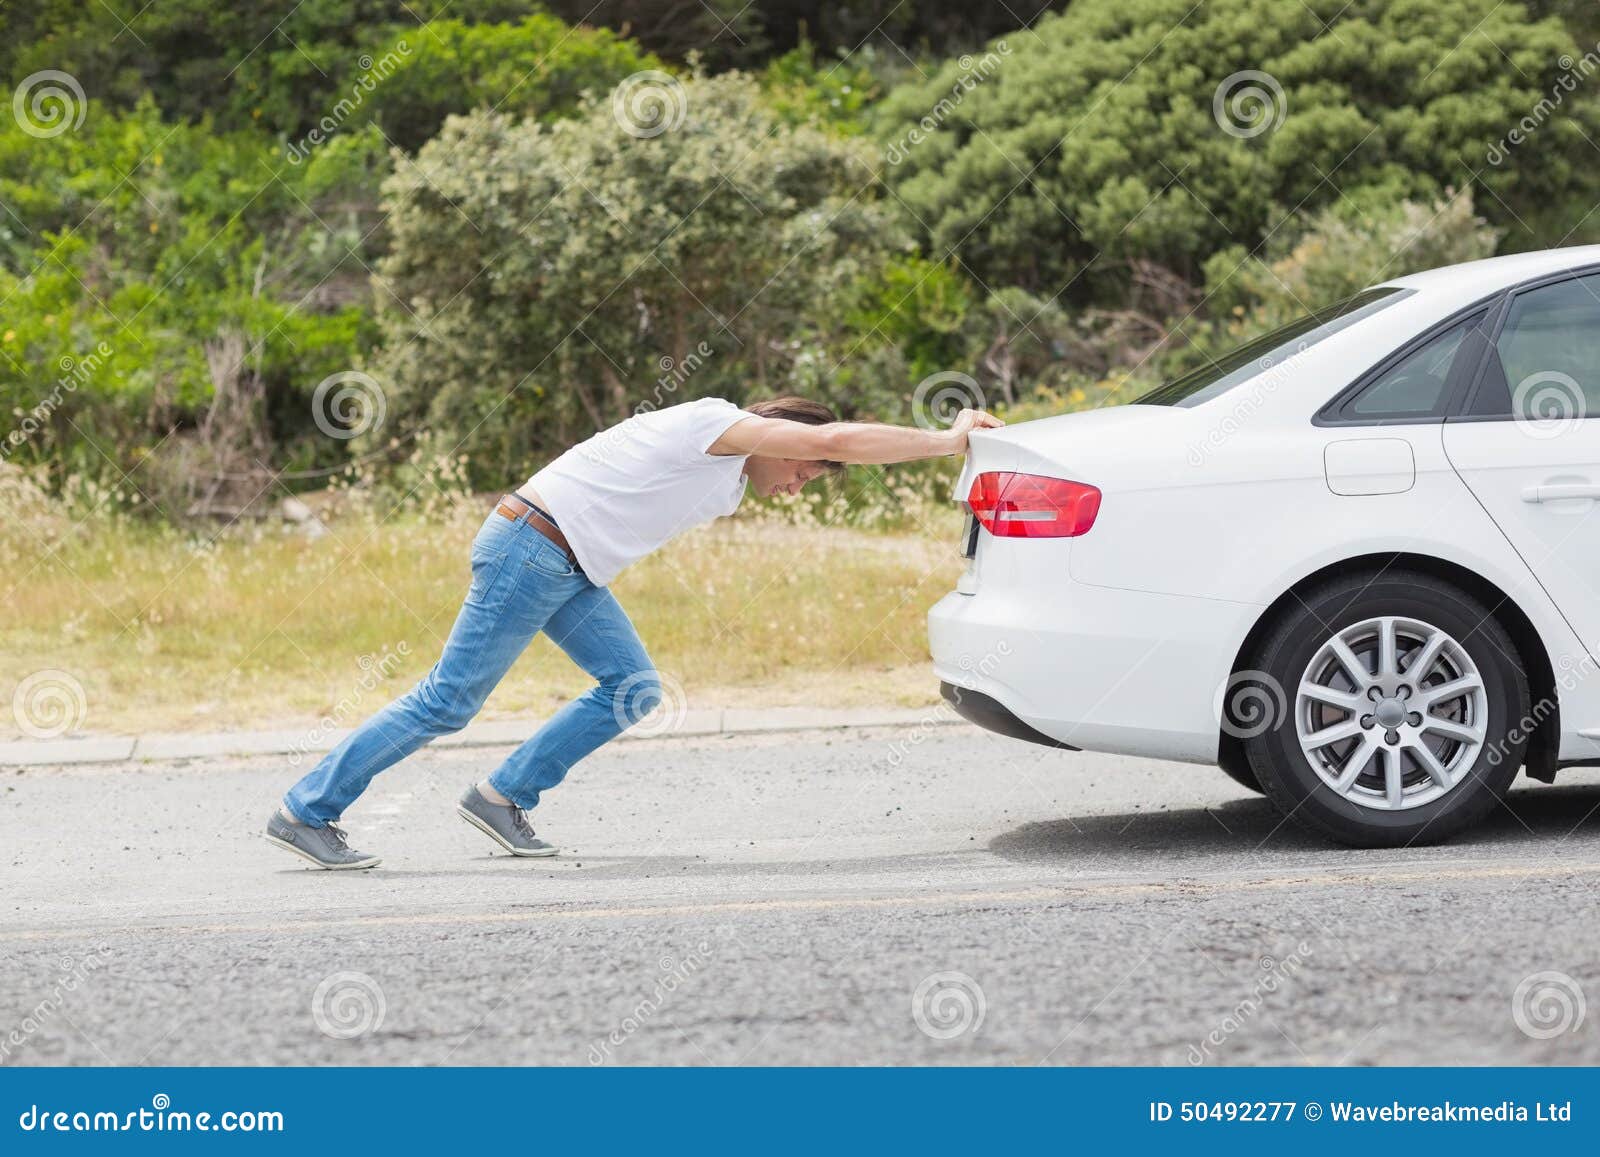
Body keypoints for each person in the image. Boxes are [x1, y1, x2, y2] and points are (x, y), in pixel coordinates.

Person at [265, 394, 1004, 869]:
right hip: (534, 547)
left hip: (566, 563)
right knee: (448, 701)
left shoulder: (729, 475)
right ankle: (307, 808)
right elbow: (841, 438)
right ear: (787, 438)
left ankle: (500, 796)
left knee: (632, 687)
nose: (799, 486)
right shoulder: (713, 424)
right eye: (809, 471)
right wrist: (949, 440)